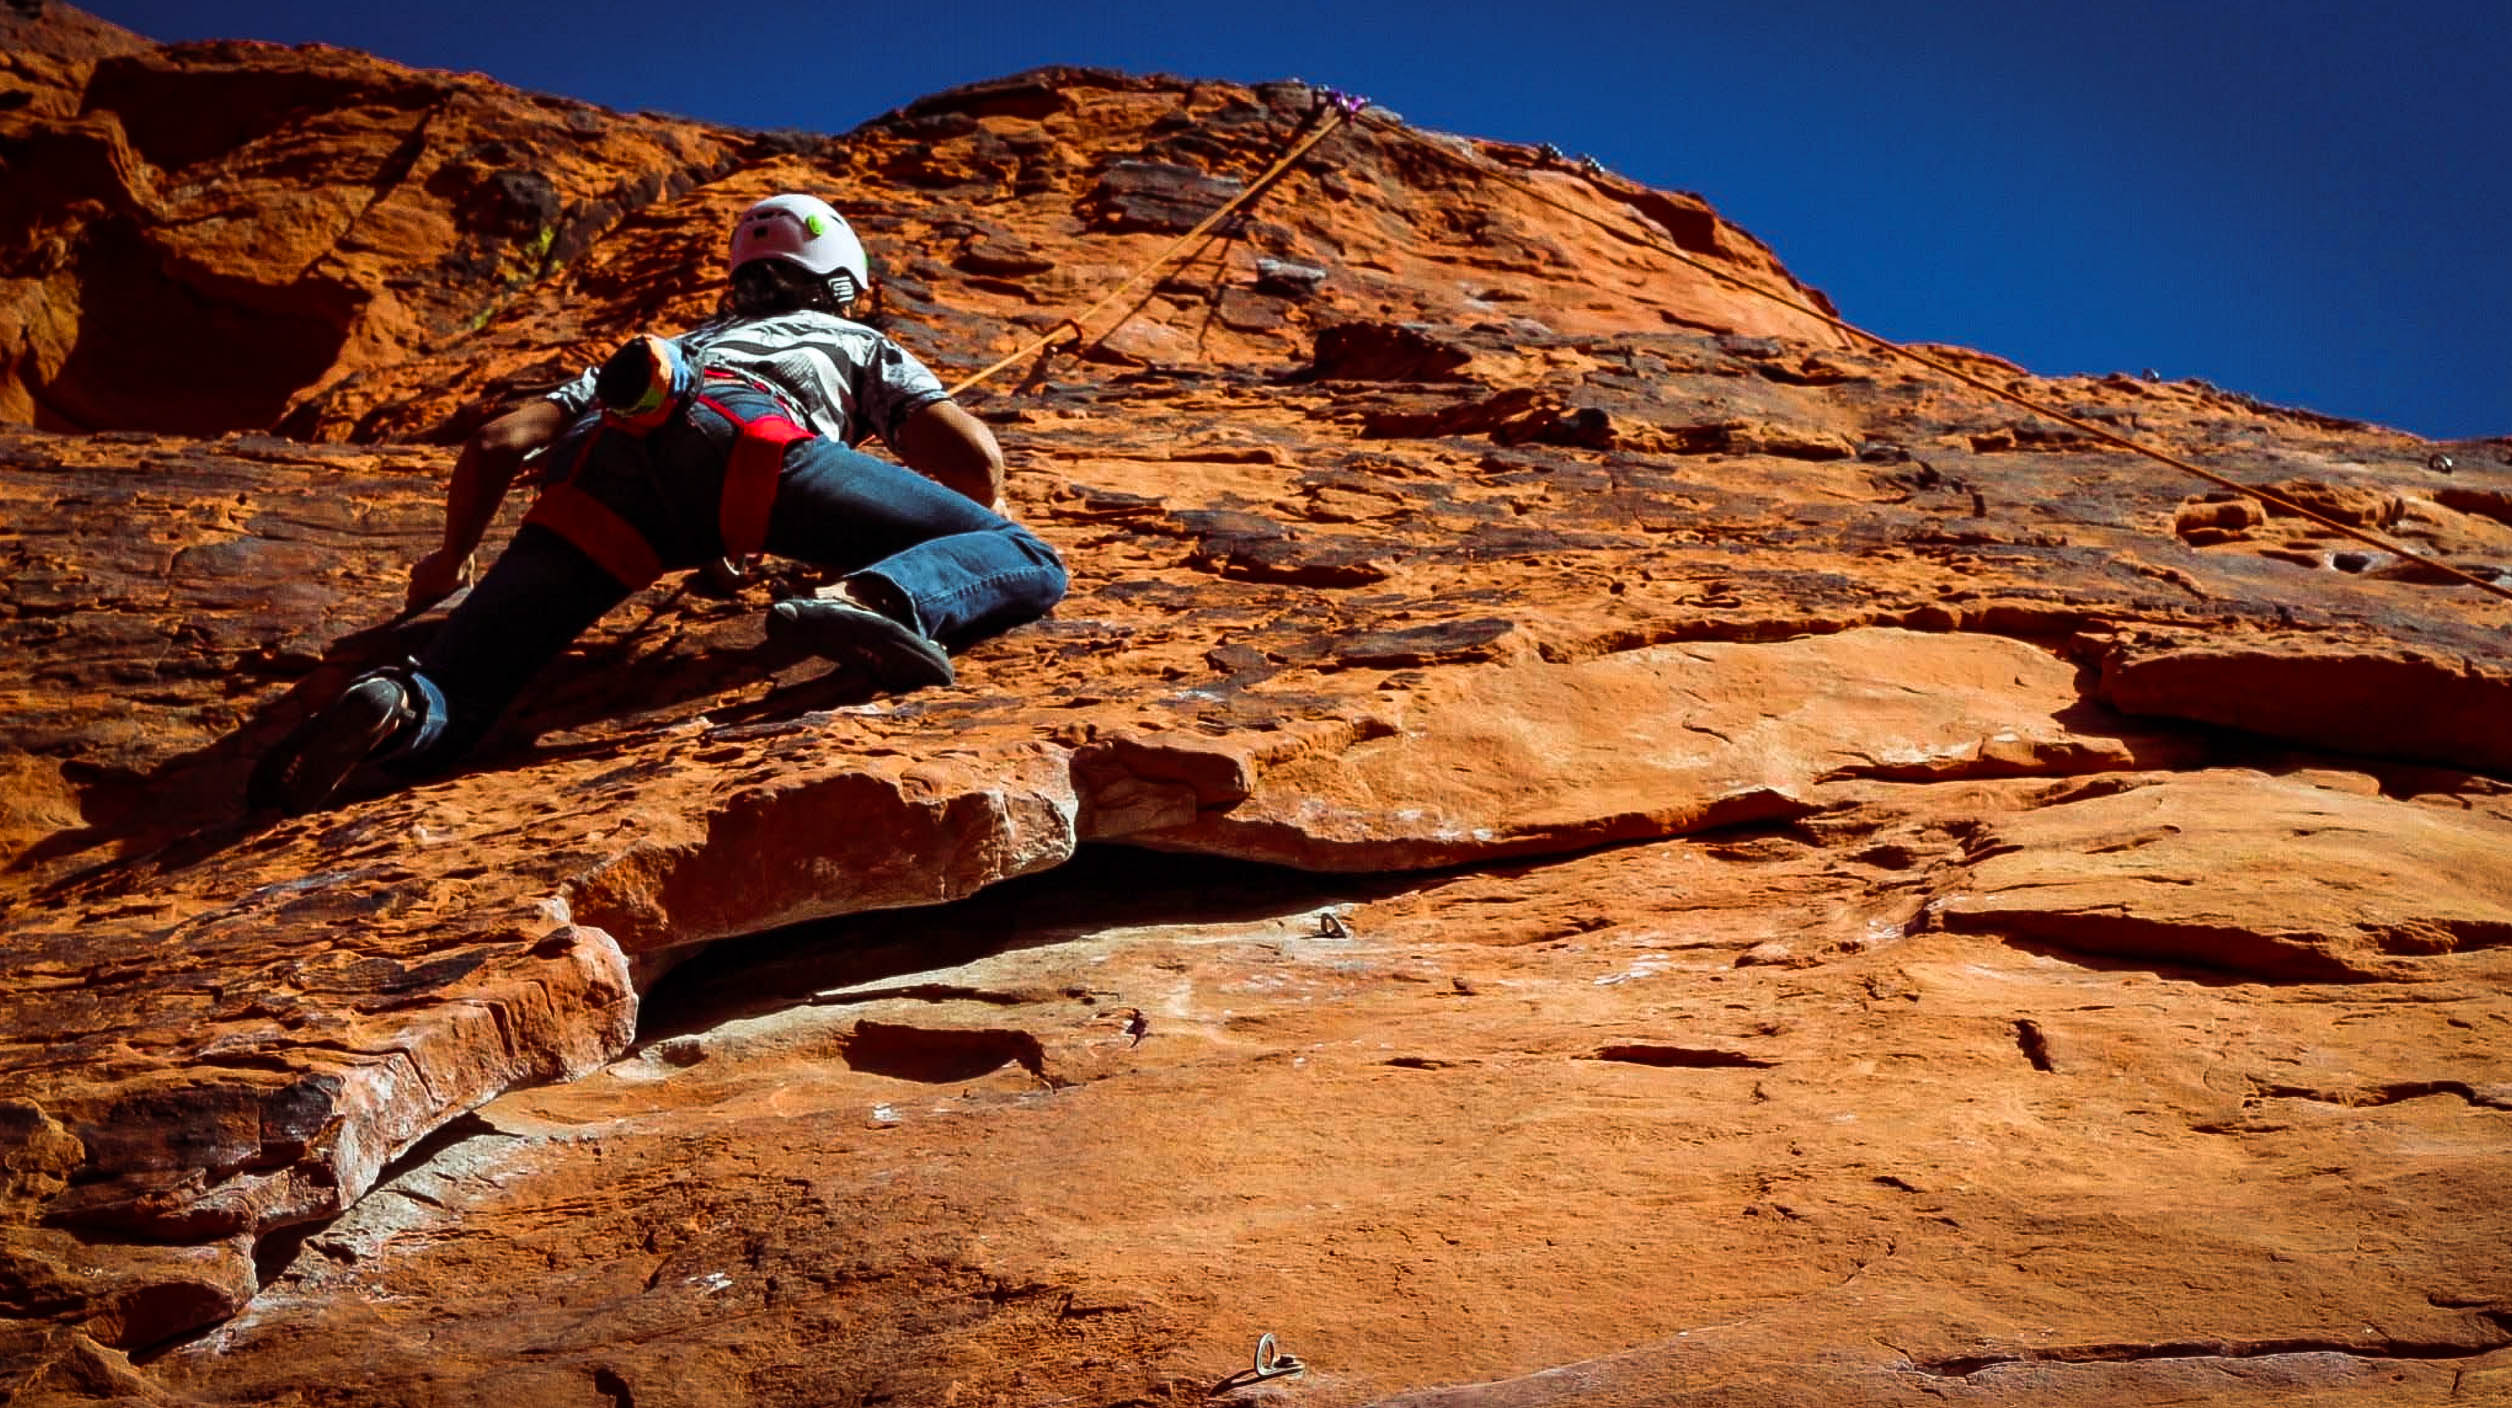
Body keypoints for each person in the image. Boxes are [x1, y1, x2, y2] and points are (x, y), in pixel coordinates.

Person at [253, 193, 1067, 814]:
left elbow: (500, 441)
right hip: (755, 449)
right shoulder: (854, 339)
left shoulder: (673, 347)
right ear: (842, 283)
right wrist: (877, 537)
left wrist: (450, 561)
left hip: (602, 481)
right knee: (1027, 558)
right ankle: (872, 599)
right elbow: (974, 464)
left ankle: (395, 707)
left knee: (460, 696)